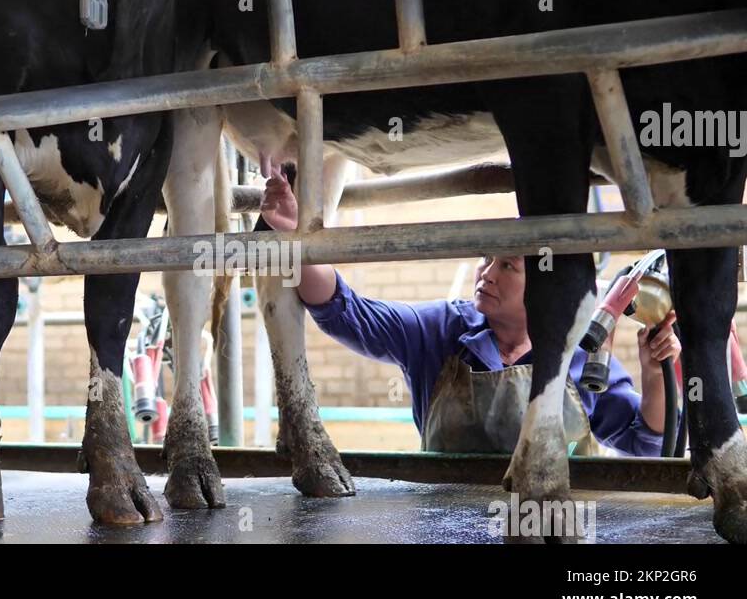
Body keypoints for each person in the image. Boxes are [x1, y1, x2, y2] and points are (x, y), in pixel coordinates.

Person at [260, 168, 680, 456]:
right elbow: (345, 311)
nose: (486, 273)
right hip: (446, 522)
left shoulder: (584, 352)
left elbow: (645, 445)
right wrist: (295, 238)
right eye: (486, 258)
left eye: (508, 266)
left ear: (548, 286)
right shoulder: (441, 330)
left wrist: (654, 377)